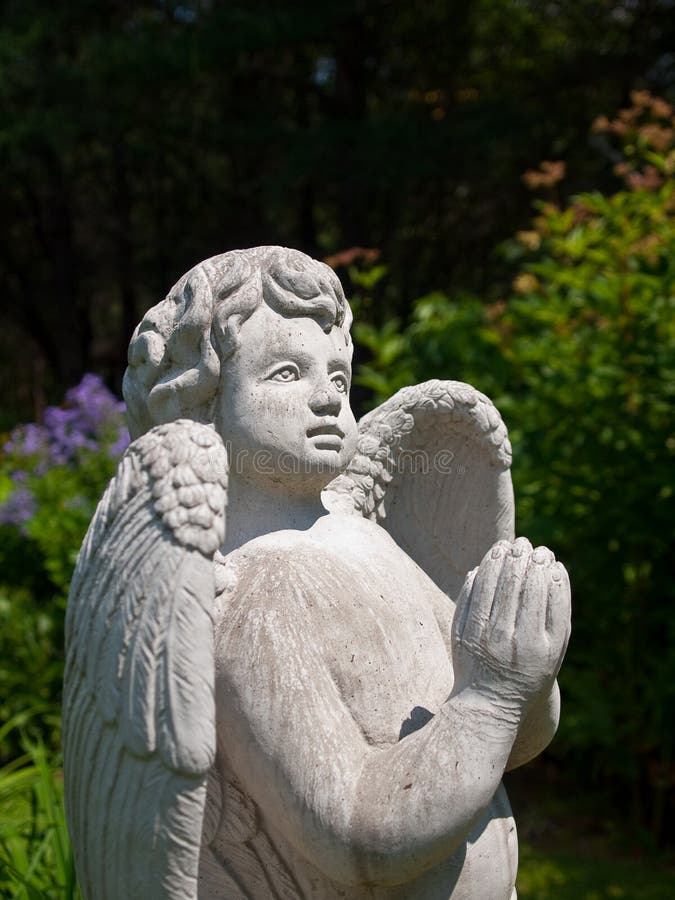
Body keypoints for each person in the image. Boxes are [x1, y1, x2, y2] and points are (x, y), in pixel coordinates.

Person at [116, 247, 569, 898]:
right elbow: (359, 835)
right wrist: (492, 698)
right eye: (285, 373)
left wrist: (527, 675)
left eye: (337, 377)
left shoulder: (370, 542)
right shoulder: (247, 596)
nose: (326, 399)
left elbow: (516, 742)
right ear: (199, 403)